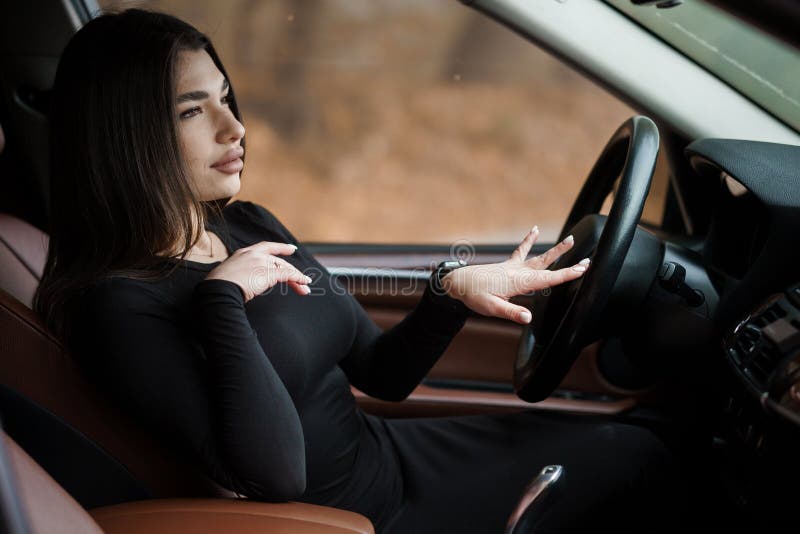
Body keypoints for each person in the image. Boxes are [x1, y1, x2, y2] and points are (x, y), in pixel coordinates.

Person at [34, 9, 680, 533]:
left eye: (227, 99)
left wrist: (449, 291)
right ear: (127, 136)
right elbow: (277, 477)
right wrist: (222, 298)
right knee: (641, 466)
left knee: (648, 441)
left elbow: (381, 372)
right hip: (353, 521)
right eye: (192, 110)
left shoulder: (246, 224)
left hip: (393, 458)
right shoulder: (118, 307)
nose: (235, 128)